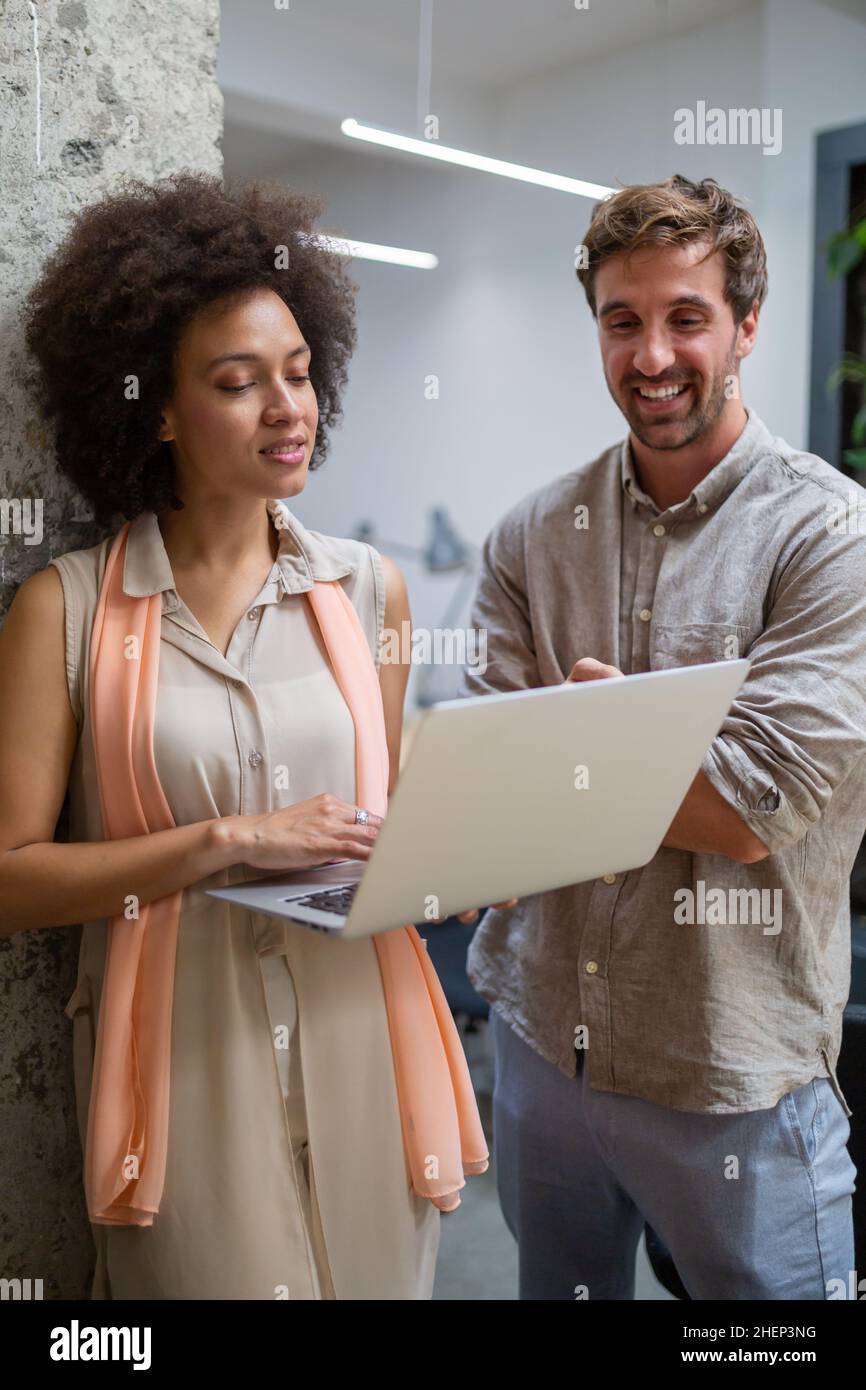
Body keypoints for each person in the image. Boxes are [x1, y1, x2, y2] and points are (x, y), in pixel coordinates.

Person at [0, 172, 492, 1300]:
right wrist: (226, 840)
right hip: (185, 1069)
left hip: (363, 1040)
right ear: (158, 408)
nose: (289, 409)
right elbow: (12, 880)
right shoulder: (66, 612)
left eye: (299, 372)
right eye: (238, 383)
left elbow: (386, 814)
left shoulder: (371, 591)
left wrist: (466, 853)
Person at [459, 174, 866, 1300]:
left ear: (744, 324)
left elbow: (749, 813)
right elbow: (492, 791)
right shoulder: (530, 535)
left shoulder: (827, 536)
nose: (650, 355)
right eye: (620, 320)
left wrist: (573, 743)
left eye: (685, 317)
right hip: (543, 1042)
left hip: (727, 1066)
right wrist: (593, 761)